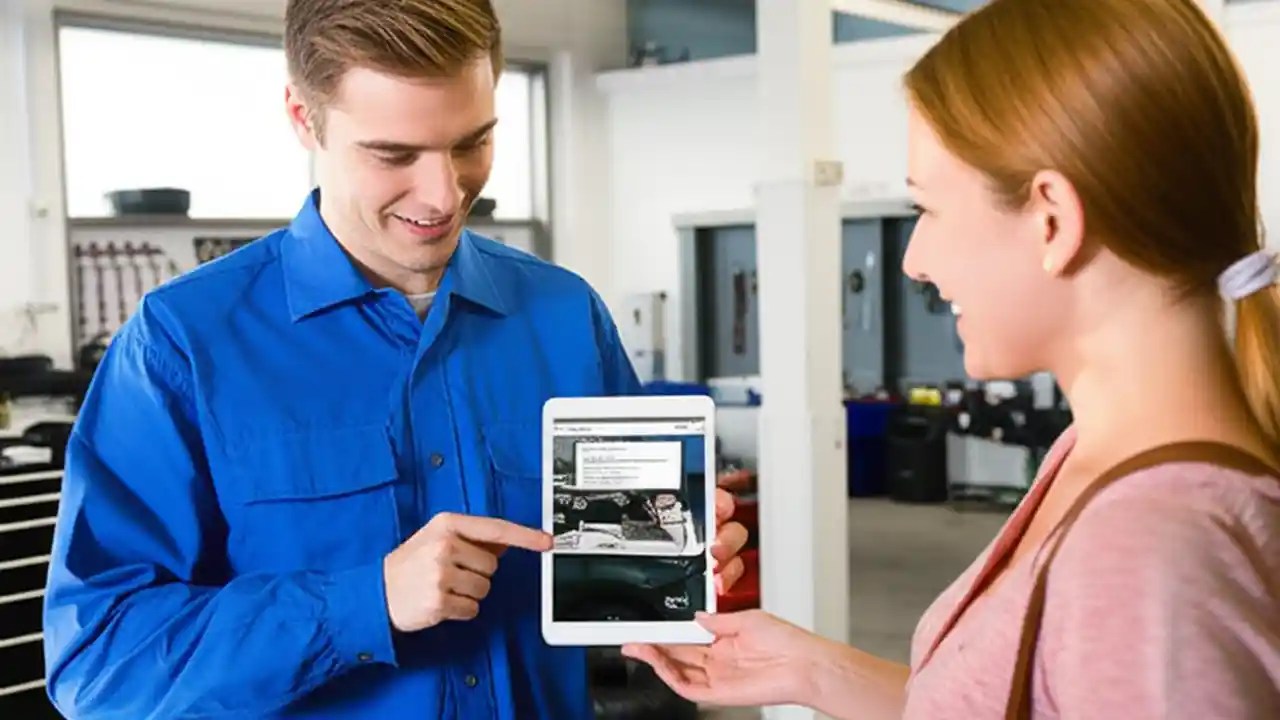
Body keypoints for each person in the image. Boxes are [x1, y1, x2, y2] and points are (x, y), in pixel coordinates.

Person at [41, 1, 748, 718]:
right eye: (394, 154)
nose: (445, 194)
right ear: (302, 117)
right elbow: (98, 665)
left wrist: (674, 579)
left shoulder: (568, 318)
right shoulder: (181, 345)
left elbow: (627, 600)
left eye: (472, 142)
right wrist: (363, 603)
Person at [623, 0, 1280, 717]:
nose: (914, 261)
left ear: (1052, 220)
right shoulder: (1098, 453)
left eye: (927, 210)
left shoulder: (1149, 549)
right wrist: (812, 671)